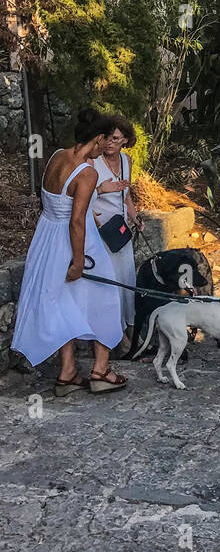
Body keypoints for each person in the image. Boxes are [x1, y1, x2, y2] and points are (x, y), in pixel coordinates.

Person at [11, 108, 127, 394]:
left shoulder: (56, 156)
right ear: (98, 139)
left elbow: (47, 201)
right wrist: (78, 261)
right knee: (107, 298)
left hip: (47, 238)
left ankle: (68, 372)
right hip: (77, 242)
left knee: (64, 303)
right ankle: (100, 371)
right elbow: (77, 221)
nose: (106, 148)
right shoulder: (87, 173)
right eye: (105, 141)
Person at [91, 113, 142, 352]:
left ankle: (133, 330)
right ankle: (118, 337)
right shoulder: (93, 162)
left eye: (116, 138)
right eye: (108, 138)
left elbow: (126, 195)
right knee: (109, 284)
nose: (110, 143)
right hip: (101, 230)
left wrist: (135, 217)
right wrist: (101, 189)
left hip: (120, 230)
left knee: (127, 281)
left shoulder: (126, 161)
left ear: (125, 140)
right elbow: (81, 196)